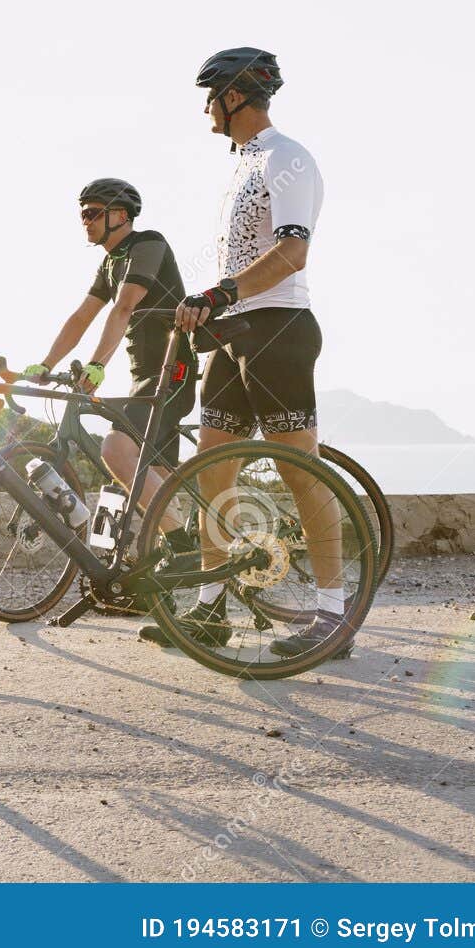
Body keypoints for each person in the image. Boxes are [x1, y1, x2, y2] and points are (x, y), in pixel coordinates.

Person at [139, 46, 348, 658]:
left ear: (234, 96)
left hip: (279, 326)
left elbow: (292, 252)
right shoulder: (245, 163)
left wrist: (222, 290)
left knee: (299, 471)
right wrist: (214, 306)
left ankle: (335, 616)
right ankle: (210, 612)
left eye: (211, 95)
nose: (205, 108)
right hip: (233, 335)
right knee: (213, 471)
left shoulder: (288, 158)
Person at [23, 178, 196, 535]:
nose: (85, 220)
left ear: (120, 214)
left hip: (171, 368)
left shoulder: (148, 243)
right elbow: (81, 317)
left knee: (116, 450)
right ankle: (177, 562)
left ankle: (179, 547)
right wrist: (47, 363)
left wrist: (98, 364)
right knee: (157, 480)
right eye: (82, 214)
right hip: (145, 375)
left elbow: (124, 307)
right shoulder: (108, 265)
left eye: (93, 213)